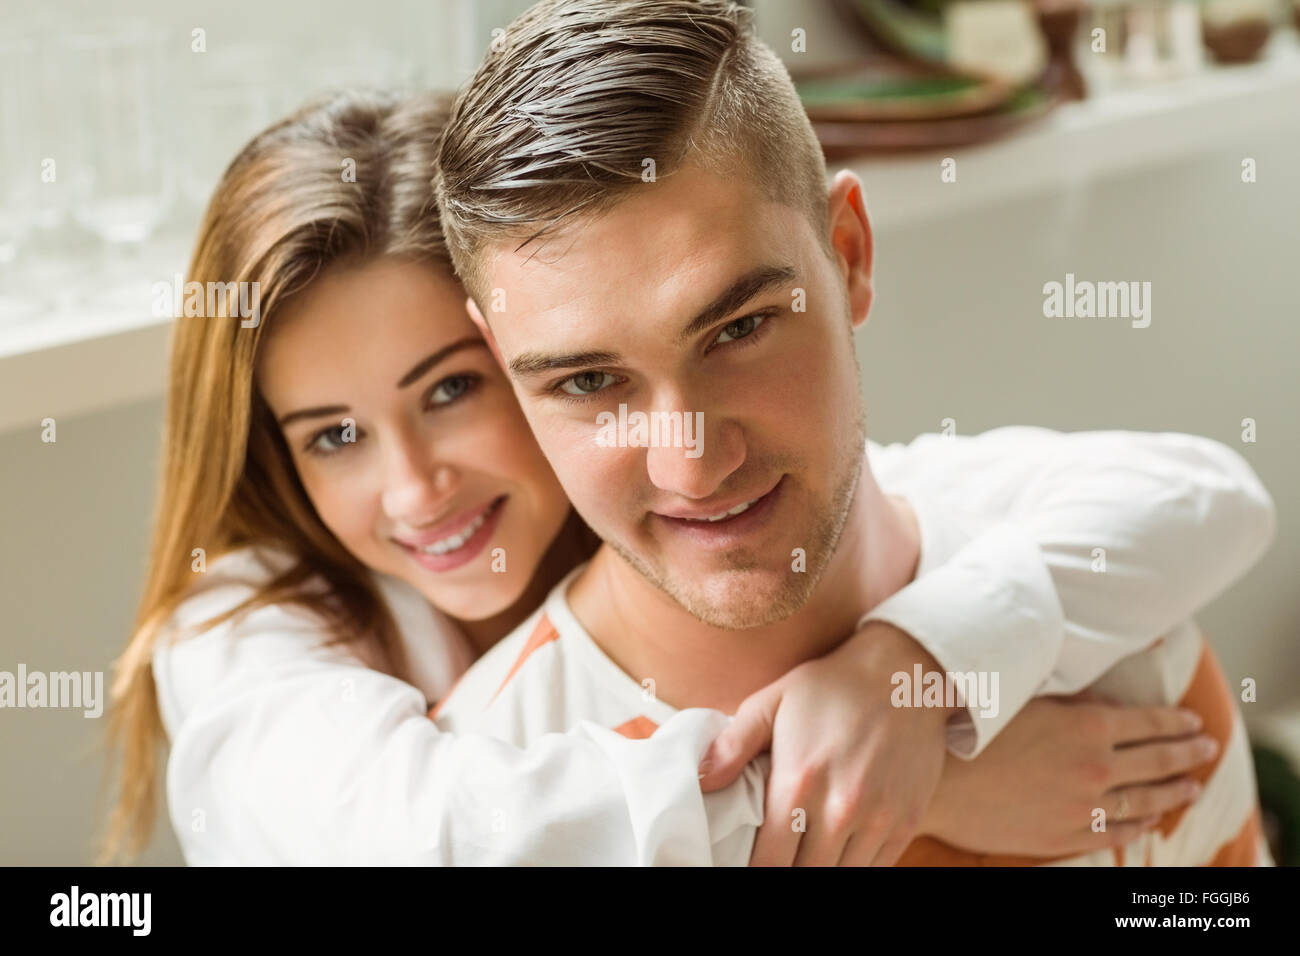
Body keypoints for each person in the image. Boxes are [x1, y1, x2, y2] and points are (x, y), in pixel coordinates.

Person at [103, 87, 1264, 867]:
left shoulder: (746, 525)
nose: (414, 490)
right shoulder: (246, 629)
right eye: (333, 435)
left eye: (452, 389)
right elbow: (423, 842)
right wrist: (890, 776)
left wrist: (907, 664)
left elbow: (1195, 494)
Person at [429, 0, 1277, 865]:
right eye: (589, 381)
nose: (693, 466)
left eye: (738, 330)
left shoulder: (1125, 669)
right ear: (503, 364)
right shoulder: (484, 788)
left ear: (850, 252)